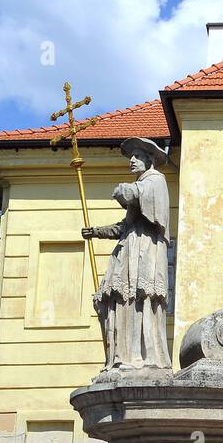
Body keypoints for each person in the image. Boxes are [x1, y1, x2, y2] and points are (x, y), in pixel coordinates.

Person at [82, 137, 172, 373]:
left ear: (150, 159)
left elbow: (134, 195)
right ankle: (123, 356)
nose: (132, 160)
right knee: (121, 298)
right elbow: (124, 226)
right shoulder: (142, 185)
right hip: (130, 247)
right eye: (131, 157)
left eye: (137, 156)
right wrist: (97, 232)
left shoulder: (155, 180)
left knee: (142, 297)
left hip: (145, 250)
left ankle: (145, 356)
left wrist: (123, 189)